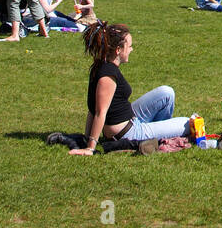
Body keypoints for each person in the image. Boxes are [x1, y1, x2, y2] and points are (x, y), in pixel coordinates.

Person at [63, 22, 192, 154]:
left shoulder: (101, 64)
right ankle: (156, 138)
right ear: (118, 50)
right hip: (127, 133)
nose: (131, 49)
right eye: (129, 46)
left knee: (166, 93)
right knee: (188, 123)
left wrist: (86, 137)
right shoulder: (108, 75)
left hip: (129, 119)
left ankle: (157, 135)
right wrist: (90, 147)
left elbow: (92, 108)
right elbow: (99, 112)